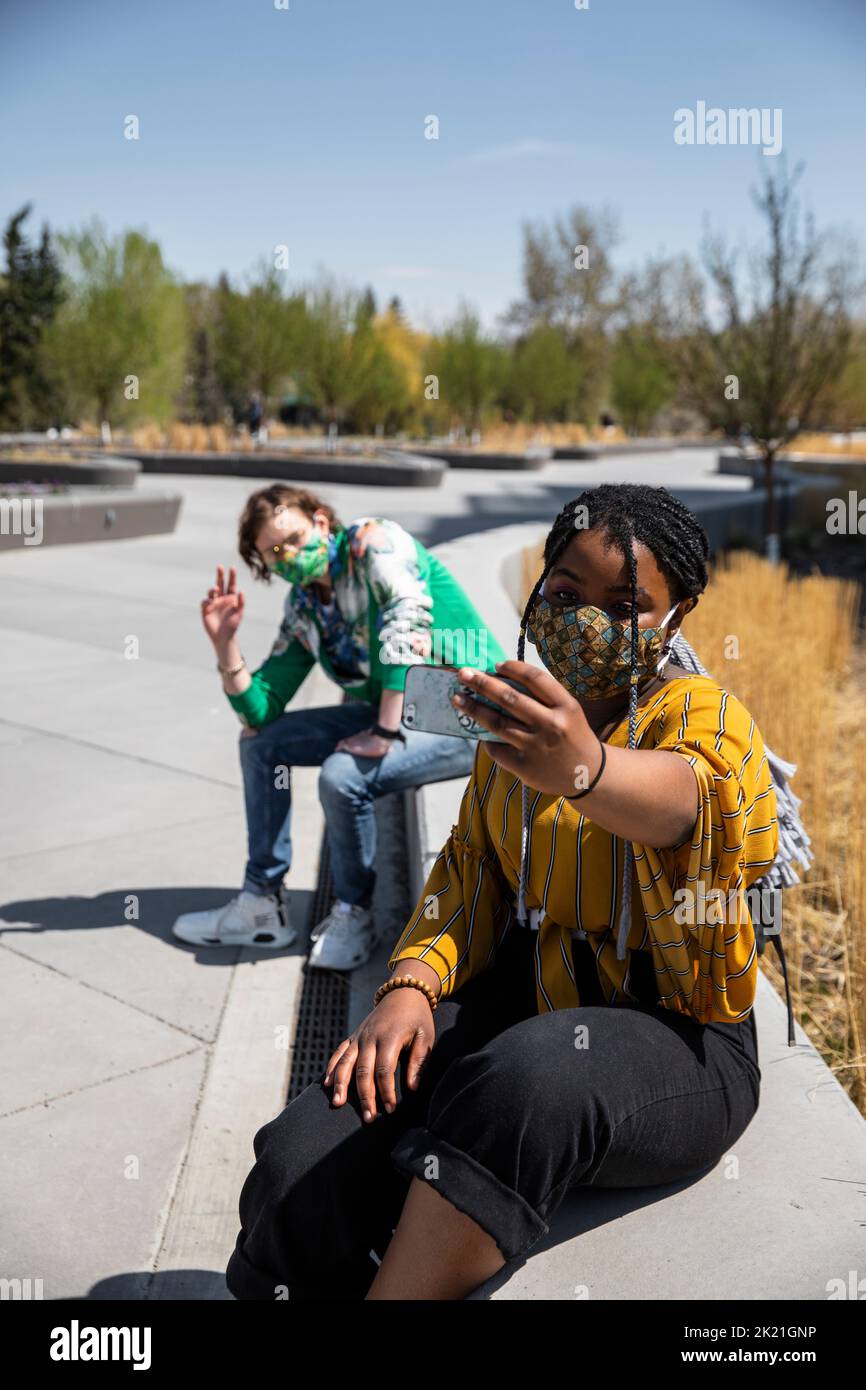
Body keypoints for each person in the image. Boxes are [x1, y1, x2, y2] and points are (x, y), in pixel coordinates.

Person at [224, 482, 780, 1302]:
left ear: (679, 612)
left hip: (680, 1030)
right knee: (303, 1151)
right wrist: (411, 985)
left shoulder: (702, 715)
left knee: (527, 1080)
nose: (586, 618)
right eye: (565, 592)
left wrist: (586, 772)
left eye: (624, 604)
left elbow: (693, 800)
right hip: (529, 993)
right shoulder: (513, 723)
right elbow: (474, 867)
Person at [171, 485, 507, 969]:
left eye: (293, 539)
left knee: (342, 775)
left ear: (322, 522)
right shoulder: (306, 608)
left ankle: (354, 911)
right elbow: (260, 709)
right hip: (399, 713)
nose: (287, 558)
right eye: (273, 554)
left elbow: (404, 624)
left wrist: (386, 733)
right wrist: (226, 646)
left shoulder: (375, 543)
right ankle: (262, 902)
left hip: (467, 711)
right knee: (262, 744)